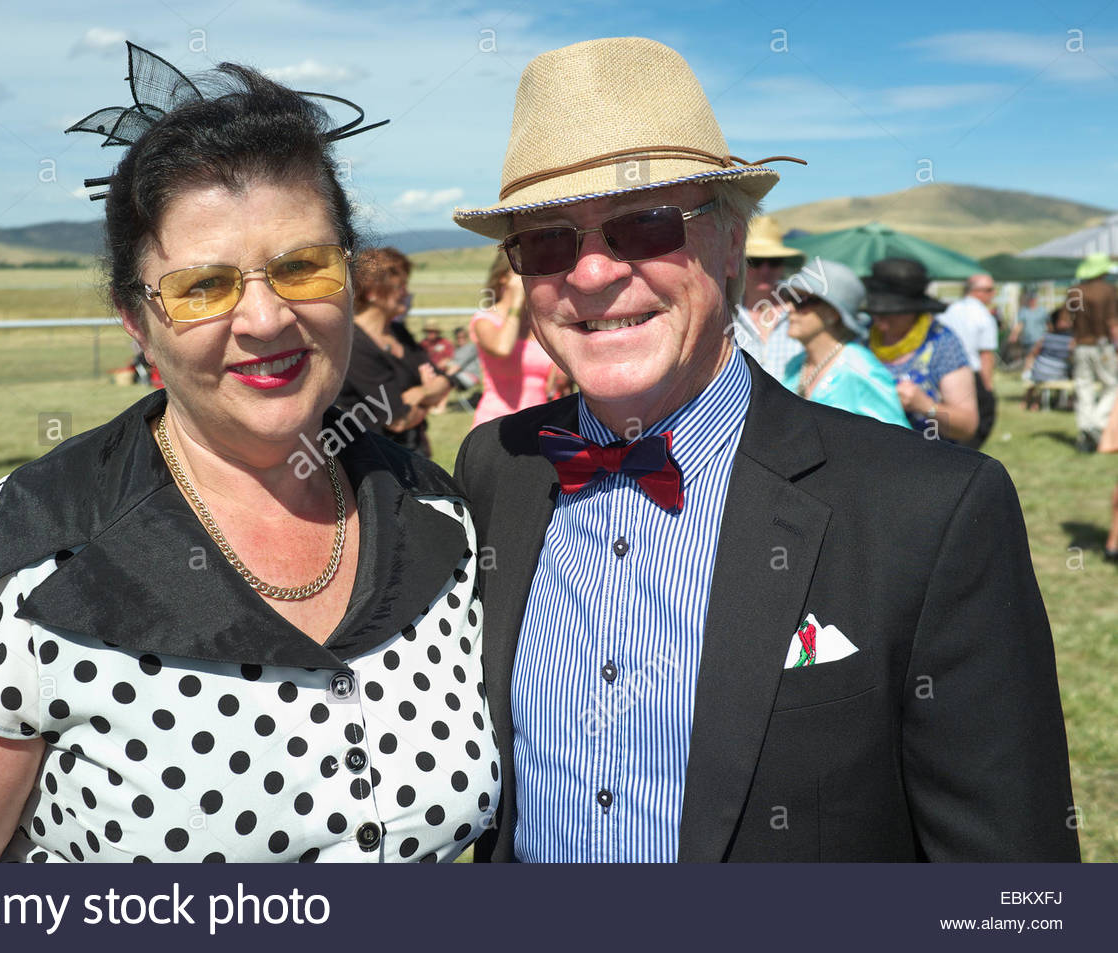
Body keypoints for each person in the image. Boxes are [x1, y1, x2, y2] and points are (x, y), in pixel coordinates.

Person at [0, 46, 497, 863]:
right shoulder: (24, 549)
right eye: (204, 287)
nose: (265, 318)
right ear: (136, 319)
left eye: (302, 267)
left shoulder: (439, 519)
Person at [451, 36, 1076, 862]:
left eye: (645, 226)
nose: (593, 274)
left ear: (732, 246)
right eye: (547, 241)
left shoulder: (930, 509)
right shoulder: (496, 466)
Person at [336, 247, 451, 456]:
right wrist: (429, 396)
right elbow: (397, 419)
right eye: (400, 286)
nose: (406, 293)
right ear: (372, 292)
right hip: (374, 458)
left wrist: (419, 394)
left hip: (413, 452)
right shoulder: (354, 343)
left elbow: (444, 382)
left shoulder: (399, 333)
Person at [778, 260, 908, 427]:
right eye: (789, 298)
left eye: (801, 301)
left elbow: (898, 436)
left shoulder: (861, 368)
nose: (789, 308)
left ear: (833, 313)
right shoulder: (795, 365)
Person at [863, 258, 980, 443]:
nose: (879, 318)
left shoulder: (942, 342)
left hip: (924, 455)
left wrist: (925, 406)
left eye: (889, 311)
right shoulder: (862, 335)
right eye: (875, 309)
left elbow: (967, 426)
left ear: (914, 309)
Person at [470, 251, 566, 426]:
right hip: (496, 424)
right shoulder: (485, 320)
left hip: (540, 424)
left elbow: (558, 382)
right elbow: (502, 348)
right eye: (521, 271)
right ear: (503, 277)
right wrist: (515, 303)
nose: (529, 277)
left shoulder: (538, 322)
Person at [731, 216, 803, 378]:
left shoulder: (804, 309)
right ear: (739, 264)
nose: (765, 270)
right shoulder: (725, 314)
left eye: (773, 261)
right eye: (755, 262)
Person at [938, 273, 999, 447]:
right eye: (990, 290)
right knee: (979, 421)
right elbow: (986, 355)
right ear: (978, 291)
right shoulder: (983, 316)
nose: (993, 294)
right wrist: (987, 387)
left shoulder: (950, 310)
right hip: (971, 374)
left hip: (944, 373)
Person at [1067, 252, 1118, 453]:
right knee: (1112, 386)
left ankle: (1085, 431)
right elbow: (1113, 323)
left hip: (1080, 345)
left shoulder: (1074, 291)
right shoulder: (1108, 290)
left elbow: (1064, 321)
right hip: (1101, 345)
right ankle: (1096, 424)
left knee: (1083, 387)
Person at [1023, 308, 1074, 411]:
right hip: (1059, 373)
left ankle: (1028, 402)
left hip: (1039, 372)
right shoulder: (1070, 339)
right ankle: (1068, 401)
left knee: (1035, 373)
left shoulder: (1046, 337)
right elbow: (1072, 356)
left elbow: (1033, 353)